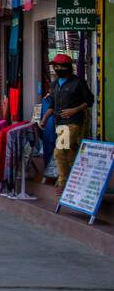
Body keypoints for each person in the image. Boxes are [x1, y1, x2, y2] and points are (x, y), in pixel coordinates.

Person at [49, 54, 95, 191]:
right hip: (59, 123)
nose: (58, 68)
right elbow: (52, 104)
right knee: (70, 153)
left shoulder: (78, 82)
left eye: (61, 66)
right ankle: (76, 182)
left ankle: (63, 183)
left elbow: (90, 101)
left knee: (59, 152)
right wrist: (44, 119)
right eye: (55, 66)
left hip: (73, 123)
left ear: (68, 67)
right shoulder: (55, 84)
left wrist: (74, 110)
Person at [38, 80, 57, 181]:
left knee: (51, 152)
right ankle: (51, 175)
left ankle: (51, 175)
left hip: (51, 131)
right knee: (51, 152)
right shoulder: (46, 101)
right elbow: (42, 116)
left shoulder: (46, 100)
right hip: (51, 131)